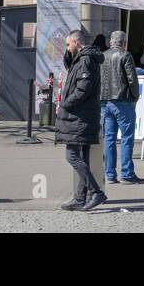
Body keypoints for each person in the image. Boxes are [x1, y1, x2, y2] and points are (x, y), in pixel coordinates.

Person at [55, 30, 106, 211]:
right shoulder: (81, 59)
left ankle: (96, 192)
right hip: (82, 116)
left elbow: (83, 88)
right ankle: (79, 198)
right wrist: (68, 57)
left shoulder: (86, 60)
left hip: (80, 116)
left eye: (68, 45)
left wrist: (66, 104)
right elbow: (74, 75)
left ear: (77, 43)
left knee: (72, 156)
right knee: (82, 156)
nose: (67, 48)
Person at [100, 30, 144, 185]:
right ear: (124, 42)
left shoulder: (103, 56)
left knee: (109, 139)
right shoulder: (125, 55)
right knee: (126, 137)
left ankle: (109, 174)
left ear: (111, 41)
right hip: (122, 100)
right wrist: (135, 97)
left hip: (105, 101)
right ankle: (127, 173)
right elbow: (132, 79)